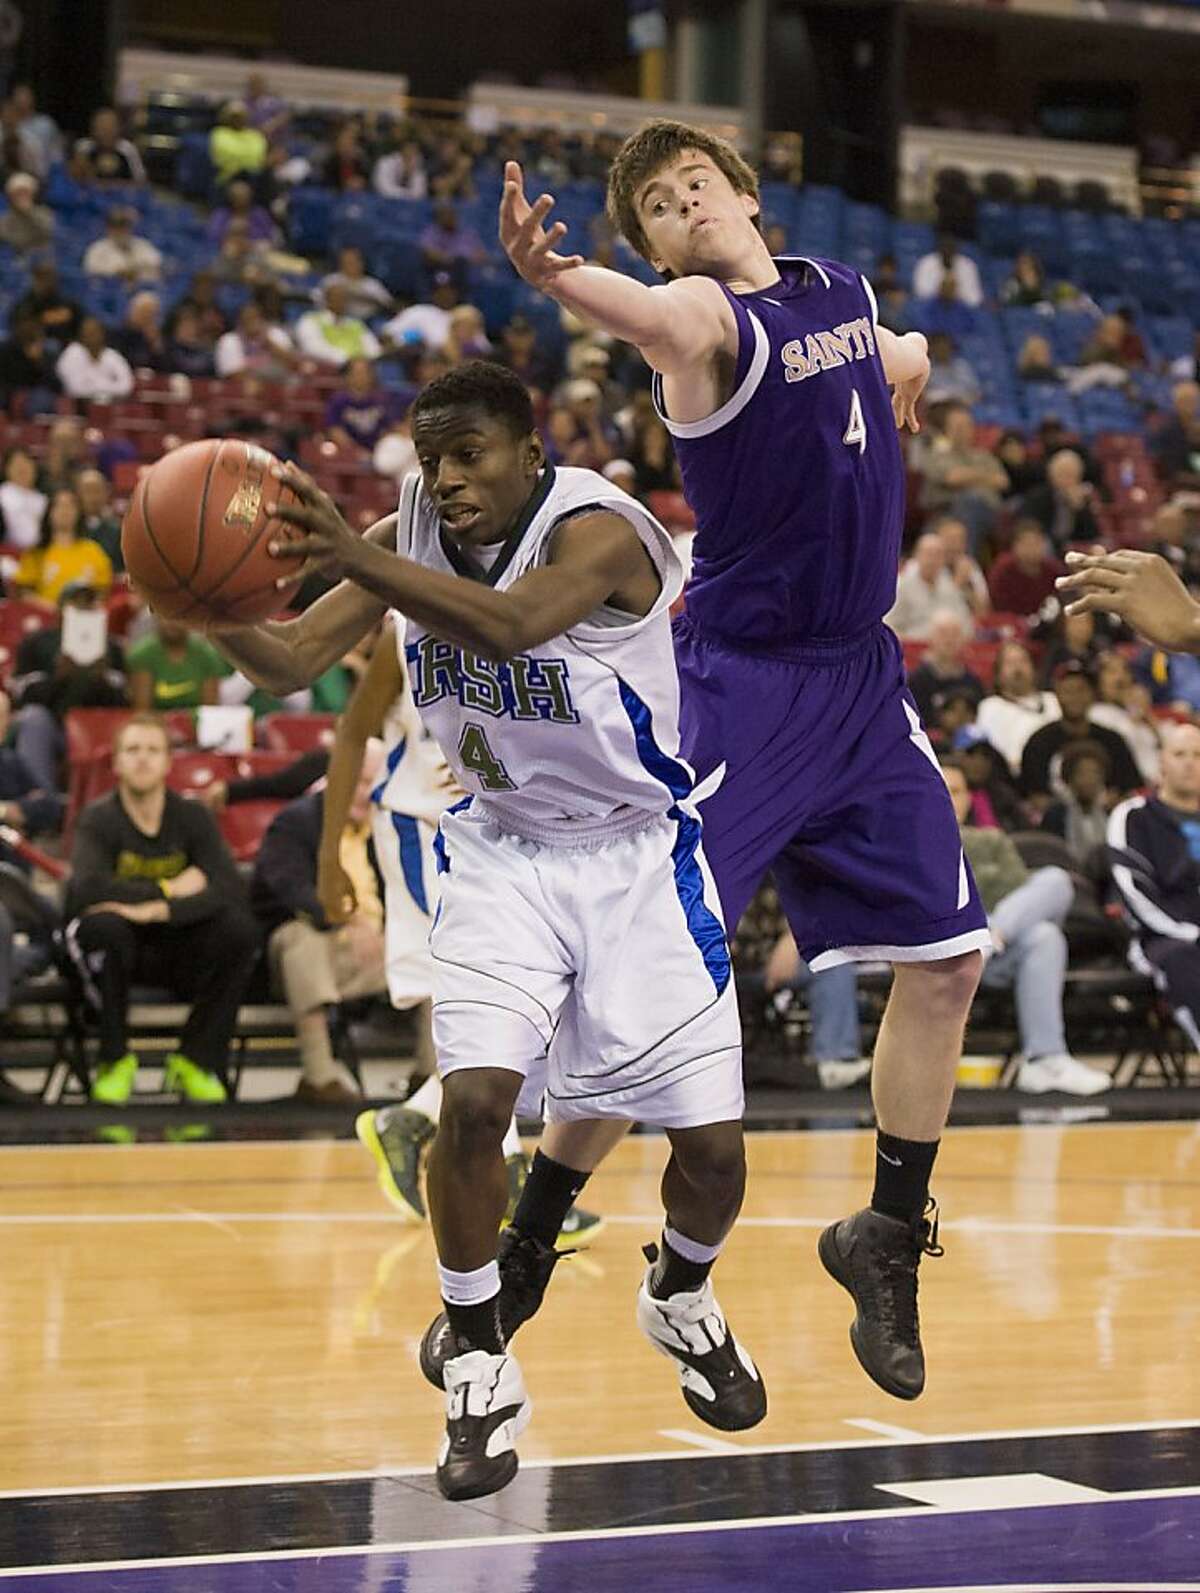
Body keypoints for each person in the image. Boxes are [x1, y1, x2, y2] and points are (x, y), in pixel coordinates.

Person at [202, 361, 765, 1498]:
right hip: (501, 848)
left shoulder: (605, 528)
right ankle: (480, 1362)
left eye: (471, 456)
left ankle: (681, 1294)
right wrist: (197, 598)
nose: (447, 481)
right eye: (432, 460)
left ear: (531, 454)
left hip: (637, 855)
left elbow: (514, 626)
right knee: (469, 1108)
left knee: (710, 1156)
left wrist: (365, 558)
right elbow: (292, 659)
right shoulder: (401, 531)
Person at [503, 121, 989, 1395]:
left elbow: (887, 345)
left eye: (696, 187)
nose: (684, 209)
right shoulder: (700, 330)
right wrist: (559, 279)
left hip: (861, 678)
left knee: (949, 961)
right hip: (742, 685)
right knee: (659, 980)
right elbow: (653, 322)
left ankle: (885, 1231)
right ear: (659, 253)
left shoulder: (843, 291)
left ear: (747, 195)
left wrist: (917, 352)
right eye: (658, 210)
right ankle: (530, 1239)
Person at [321, 623, 604, 1239]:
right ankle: (508, 1169)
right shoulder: (404, 625)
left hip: (505, 827)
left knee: (531, 1001)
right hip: (424, 826)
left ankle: (414, 1117)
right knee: (472, 992)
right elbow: (350, 732)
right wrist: (328, 859)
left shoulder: (538, 606)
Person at [63, 714, 261, 1105]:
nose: (142, 759)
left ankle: (195, 1059)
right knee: (106, 928)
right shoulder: (99, 818)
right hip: (117, 950)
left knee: (239, 931)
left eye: (153, 750)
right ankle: (114, 1060)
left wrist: (157, 911)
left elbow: (227, 888)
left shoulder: (192, 816)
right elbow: (86, 891)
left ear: (169, 762)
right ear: (116, 762)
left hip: (175, 941)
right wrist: (169, 888)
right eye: (132, 750)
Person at [941, 757, 1109, 1095]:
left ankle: (1043, 1061)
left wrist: (995, 921)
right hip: (942, 954)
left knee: (1054, 888)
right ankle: (986, 936)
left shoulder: (992, 840)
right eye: (940, 789)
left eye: (956, 791)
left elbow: (1021, 891)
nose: (948, 798)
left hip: (993, 953)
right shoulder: (907, 844)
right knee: (1043, 932)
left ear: (967, 799)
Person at [249, 745, 386, 1105]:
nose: (365, 792)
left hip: (374, 945)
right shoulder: (296, 821)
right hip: (308, 942)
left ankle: (428, 1078)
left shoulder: (387, 826)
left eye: (373, 783)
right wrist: (349, 921)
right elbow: (289, 888)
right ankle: (320, 1076)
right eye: (357, 783)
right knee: (301, 942)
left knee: (429, 948)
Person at [1107, 721, 1200, 1054]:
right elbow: (1134, 890)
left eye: (1197, 755)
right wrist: (1188, 931)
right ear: (1161, 761)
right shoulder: (1133, 816)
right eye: (1179, 754)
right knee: (1186, 960)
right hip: (1160, 939)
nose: (1189, 763)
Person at [1020, 660, 1142, 809]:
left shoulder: (1113, 740)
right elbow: (1035, 797)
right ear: (1057, 695)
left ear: (1092, 694)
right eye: (1068, 691)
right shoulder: (1039, 742)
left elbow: (1130, 792)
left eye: (1081, 690)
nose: (1075, 697)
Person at [973, 643, 1060, 780]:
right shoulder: (990, 707)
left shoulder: (1053, 700)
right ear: (998, 673)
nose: (1017, 668)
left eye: (1023, 661)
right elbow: (992, 752)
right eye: (1010, 663)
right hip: (1012, 778)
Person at [14, 487, 112, 605]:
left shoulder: (94, 551)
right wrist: (53, 609)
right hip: (47, 619)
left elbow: (102, 593)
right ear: (49, 513)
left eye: (71, 506)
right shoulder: (36, 553)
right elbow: (24, 594)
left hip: (84, 617)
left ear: (79, 513)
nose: (65, 510)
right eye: (59, 506)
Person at [885, 529, 974, 639]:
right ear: (917, 556)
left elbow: (966, 626)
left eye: (938, 555)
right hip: (911, 647)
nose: (933, 560)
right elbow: (890, 625)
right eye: (929, 554)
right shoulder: (902, 587)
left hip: (945, 651)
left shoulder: (950, 586)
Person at [126, 618, 225, 712]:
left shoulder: (206, 656)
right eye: (166, 618)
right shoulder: (142, 655)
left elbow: (210, 710)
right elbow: (142, 710)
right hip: (156, 726)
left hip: (196, 725)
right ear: (156, 617)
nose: (172, 623)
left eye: (178, 619)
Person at [906, 608, 983, 727]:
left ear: (963, 639)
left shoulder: (972, 682)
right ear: (931, 637)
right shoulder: (917, 681)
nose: (949, 639)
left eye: (955, 634)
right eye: (943, 633)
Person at [1041, 741, 1112, 863]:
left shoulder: (1110, 814)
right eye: (1081, 773)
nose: (1089, 780)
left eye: (1095, 773)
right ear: (1069, 779)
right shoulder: (1056, 815)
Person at [1021, 450, 1101, 555]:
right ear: (1052, 475)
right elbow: (1031, 526)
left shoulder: (1083, 499)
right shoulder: (1038, 496)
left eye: (1073, 475)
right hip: (1046, 544)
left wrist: (1080, 508)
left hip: (1071, 548)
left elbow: (1091, 534)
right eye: (1063, 474)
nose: (1068, 480)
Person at [324, 356, 407, 452]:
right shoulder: (338, 401)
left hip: (380, 452)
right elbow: (335, 430)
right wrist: (356, 451)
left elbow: (393, 425)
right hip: (348, 453)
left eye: (366, 372)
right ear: (348, 376)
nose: (362, 377)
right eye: (357, 373)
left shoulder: (382, 399)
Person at [986, 519, 1064, 617]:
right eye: (1026, 544)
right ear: (1015, 546)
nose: (1032, 549)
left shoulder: (1054, 570)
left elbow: (1062, 600)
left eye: (1037, 543)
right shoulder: (1002, 571)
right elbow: (998, 607)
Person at [294, 281, 381, 368]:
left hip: (359, 368)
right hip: (328, 369)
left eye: (344, 298)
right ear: (326, 299)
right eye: (337, 297)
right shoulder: (310, 320)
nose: (342, 301)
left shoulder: (356, 324)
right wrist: (347, 359)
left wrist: (360, 361)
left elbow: (374, 350)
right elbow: (312, 348)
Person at [55, 316, 134, 402]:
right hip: (79, 406)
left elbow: (127, 386)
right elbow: (76, 389)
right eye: (88, 333)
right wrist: (109, 385)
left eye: (95, 332)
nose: (91, 336)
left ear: (102, 334)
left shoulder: (112, 355)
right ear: (81, 335)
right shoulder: (72, 354)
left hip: (112, 405)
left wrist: (95, 386)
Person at [10, 259, 82, 350]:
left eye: (49, 277)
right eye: (41, 278)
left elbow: (81, 322)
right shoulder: (26, 304)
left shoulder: (66, 302)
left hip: (66, 348)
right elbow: (19, 329)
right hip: (37, 349)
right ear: (35, 280)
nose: (46, 282)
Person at [82, 207, 162, 281]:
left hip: (145, 288)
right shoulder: (97, 249)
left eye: (124, 226)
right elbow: (91, 272)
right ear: (108, 228)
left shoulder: (142, 245)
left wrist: (132, 271)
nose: (121, 230)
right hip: (111, 291)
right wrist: (123, 272)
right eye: (116, 226)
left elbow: (157, 265)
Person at [319, 245, 394, 322]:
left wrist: (361, 296)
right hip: (335, 319)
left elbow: (389, 305)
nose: (349, 265)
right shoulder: (331, 280)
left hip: (365, 321)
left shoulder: (372, 284)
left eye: (352, 262)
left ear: (361, 263)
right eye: (346, 262)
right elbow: (318, 300)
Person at [76, 107, 145, 185]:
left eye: (110, 127)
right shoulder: (84, 148)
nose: (106, 132)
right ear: (93, 130)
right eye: (102, 128)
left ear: (119, 129)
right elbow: (74, 180)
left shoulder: (128, 149)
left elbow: (140, 182)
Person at [912, 234, 984, 308]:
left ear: (956, 250)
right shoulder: (926, 263)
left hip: (961, 310)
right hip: (932, 308)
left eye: (951, 249)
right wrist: (941, 292)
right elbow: (921, 294)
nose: (947, 252)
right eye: (944, 249)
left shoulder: (967, 265)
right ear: (939, 250)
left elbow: (975, 299)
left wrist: (955, 294)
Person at [209, 101, 268, 190]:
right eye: (234, 116)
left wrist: (239, 157)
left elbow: (259, 158)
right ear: (227, 117)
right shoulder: (219, 133)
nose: (238, 119)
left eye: (241, 116)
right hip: (228, 179)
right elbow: (224, 156)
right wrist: (247, 157)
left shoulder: (255, 135)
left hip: (253, 178)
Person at [0, 444, 47, 549]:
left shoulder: (43, 500)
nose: (22, 468)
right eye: (17, 465)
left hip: (40, 554)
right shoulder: (3, 495)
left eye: (25, 463)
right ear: (7, 470)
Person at [0, 171, 52, 253]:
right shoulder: (4, 219)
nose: (21, 197)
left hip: (40, 256)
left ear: (33, 194)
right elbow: (9, 239)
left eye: (25, 193)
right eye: (17, 194)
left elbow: (47, 233)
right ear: (10, 197)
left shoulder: (44, 213)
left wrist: (29, 213)